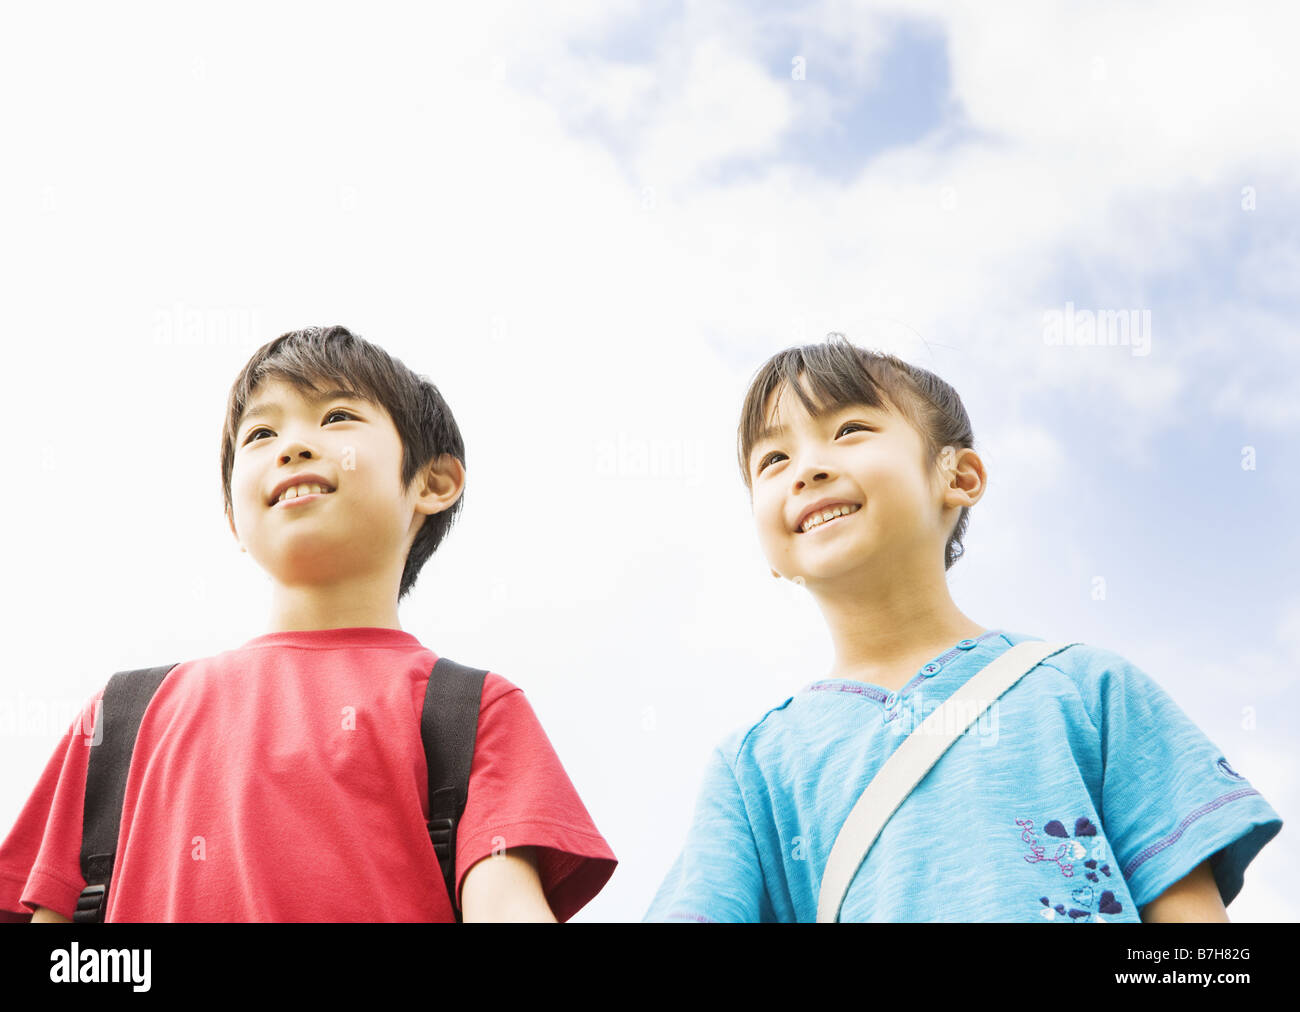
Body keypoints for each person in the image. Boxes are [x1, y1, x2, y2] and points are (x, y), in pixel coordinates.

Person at [644, 333, 1281, 922]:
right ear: (768, 545)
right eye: (773, 458)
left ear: (960, 476)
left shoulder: (1090, 689)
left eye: (850, 429)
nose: (807, 468)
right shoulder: (754, 765)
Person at [0, 325, 616, 922]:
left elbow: (505, 906)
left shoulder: (472, 710)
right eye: (261, 432)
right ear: (233, 519)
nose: (292, 446)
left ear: (434, 481)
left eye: (337, 418)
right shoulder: (122, 716)